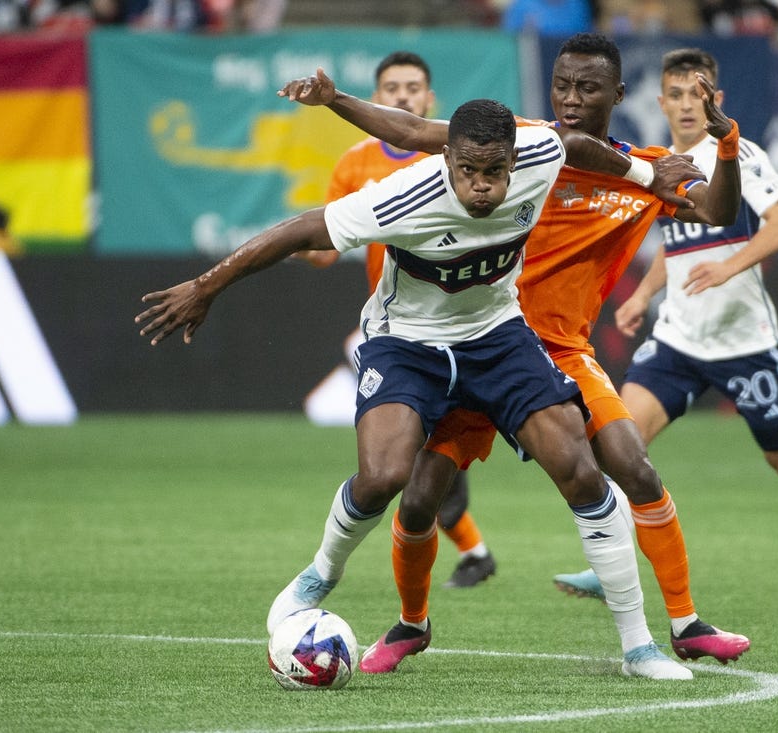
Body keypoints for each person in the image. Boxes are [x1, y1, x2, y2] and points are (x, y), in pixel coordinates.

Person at [139, 97, 713, 680]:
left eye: (494, 172)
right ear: (447, 157)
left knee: (582, 471)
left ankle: (639, 648)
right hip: (406, 343)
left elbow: (572, 141)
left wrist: (646, 174)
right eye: (468, 170)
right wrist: (206, 287)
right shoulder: (406, 196)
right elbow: (300, 230)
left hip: (496, 334)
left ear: (516, 161)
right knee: (386, 477)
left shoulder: (541, 151)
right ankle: (321, 573)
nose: (482, 186)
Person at [277, 32, 751, 675]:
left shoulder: (637, 169)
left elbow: (716, 211)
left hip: (556, 347)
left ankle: (684, 624)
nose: (571, 99)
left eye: (587, 88)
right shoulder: (517, 146)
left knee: (629, 464)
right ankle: (411, 624)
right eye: (562, 86)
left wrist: (725, 146)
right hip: (473, 337)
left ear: (616, 94)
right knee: (419, 498)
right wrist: (336, 100)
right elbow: (417, 132)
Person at [551, 48, 778, 602]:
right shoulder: (658, 163)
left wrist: (728, 267)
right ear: (658, 101)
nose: (687, 105)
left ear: (716, 101)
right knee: (617, 448)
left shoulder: (740, 155)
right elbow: (677, 240)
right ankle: (616, 565)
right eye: (676, 94)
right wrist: (644, 293)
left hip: (744, 340)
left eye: (699, 94)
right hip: (677, 338)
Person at [300, 51, 496, 590]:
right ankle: (472, 553)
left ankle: (469, 553)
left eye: (413, 87)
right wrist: (294, 247)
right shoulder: (355, 164)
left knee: (429, 456)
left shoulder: (463, 161)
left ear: (430, 99)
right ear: (376, 97)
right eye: (391, 88)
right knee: (406, 459)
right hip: (397, 331)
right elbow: (324, 248)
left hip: (467, 324)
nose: (403, 96)